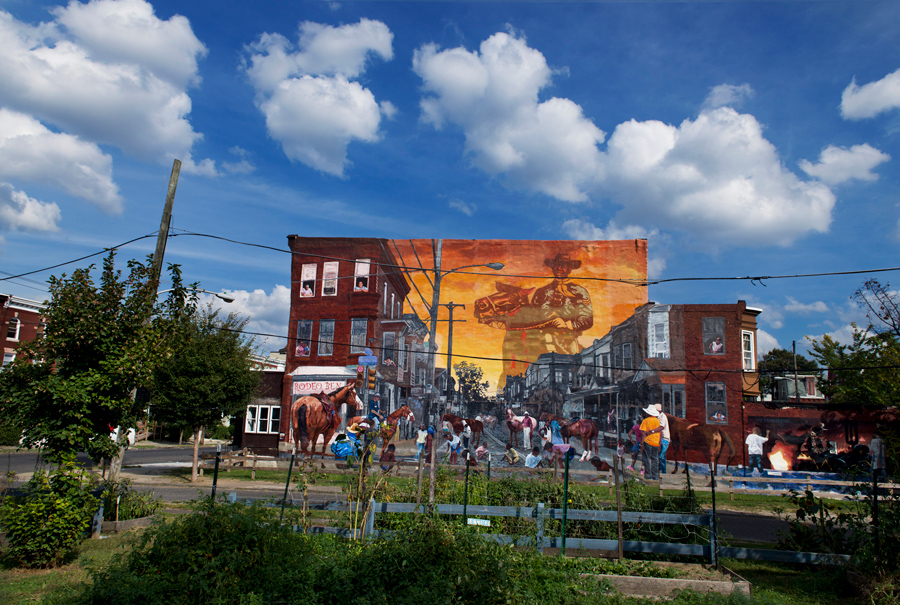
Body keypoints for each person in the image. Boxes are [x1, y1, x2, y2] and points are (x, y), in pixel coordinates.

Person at [502, 252, 594, 356]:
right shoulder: (541, 292)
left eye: (563, 265)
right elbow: (532, 319)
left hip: (567, 342)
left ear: (569, 269)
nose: (559, 268)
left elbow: (587, 319)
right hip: (540, 343)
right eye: (556, 265)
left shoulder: (579, 292)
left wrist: (567, 324)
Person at [639, 405, 662, 480]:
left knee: (647, 458)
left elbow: (643, 433)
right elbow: (660, 432)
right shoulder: (657, 421)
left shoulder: (645, 421)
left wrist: (641, 444)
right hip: (656, 442)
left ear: (649, 414)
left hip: (648, 441)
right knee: (655, 459)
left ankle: (648, 475)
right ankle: (655, 475)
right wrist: (659, 443)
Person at [655, 404, 671, 474]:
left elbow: (661, 427)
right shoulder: (658, 417)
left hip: (664, 438)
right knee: (660, 455)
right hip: (661, 438)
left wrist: (653, 431)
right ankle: (661, 469)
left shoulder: (662, 417)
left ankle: (663, 470)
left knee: (662, 455)